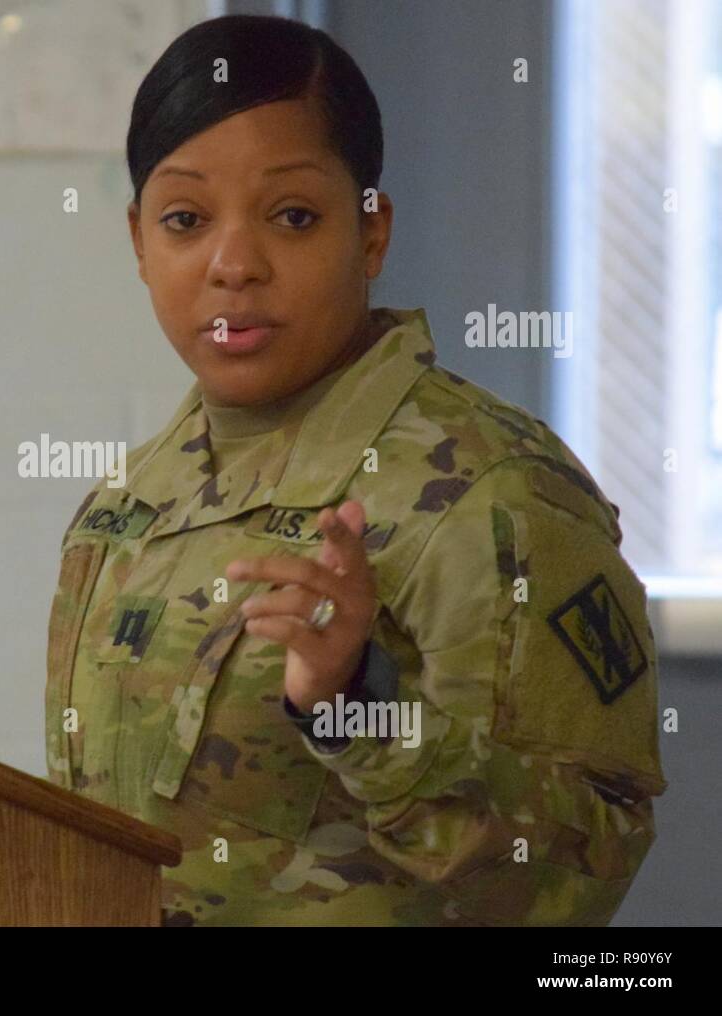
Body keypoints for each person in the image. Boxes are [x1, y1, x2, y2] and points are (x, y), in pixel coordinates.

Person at [43, 14, 666, 926]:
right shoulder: (125, 507)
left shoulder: (491, 495)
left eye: (292, 216)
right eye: (185, 219)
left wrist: (357, 708)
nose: (233, 266)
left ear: (370, 234)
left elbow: (582, 873)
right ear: (140, 241)